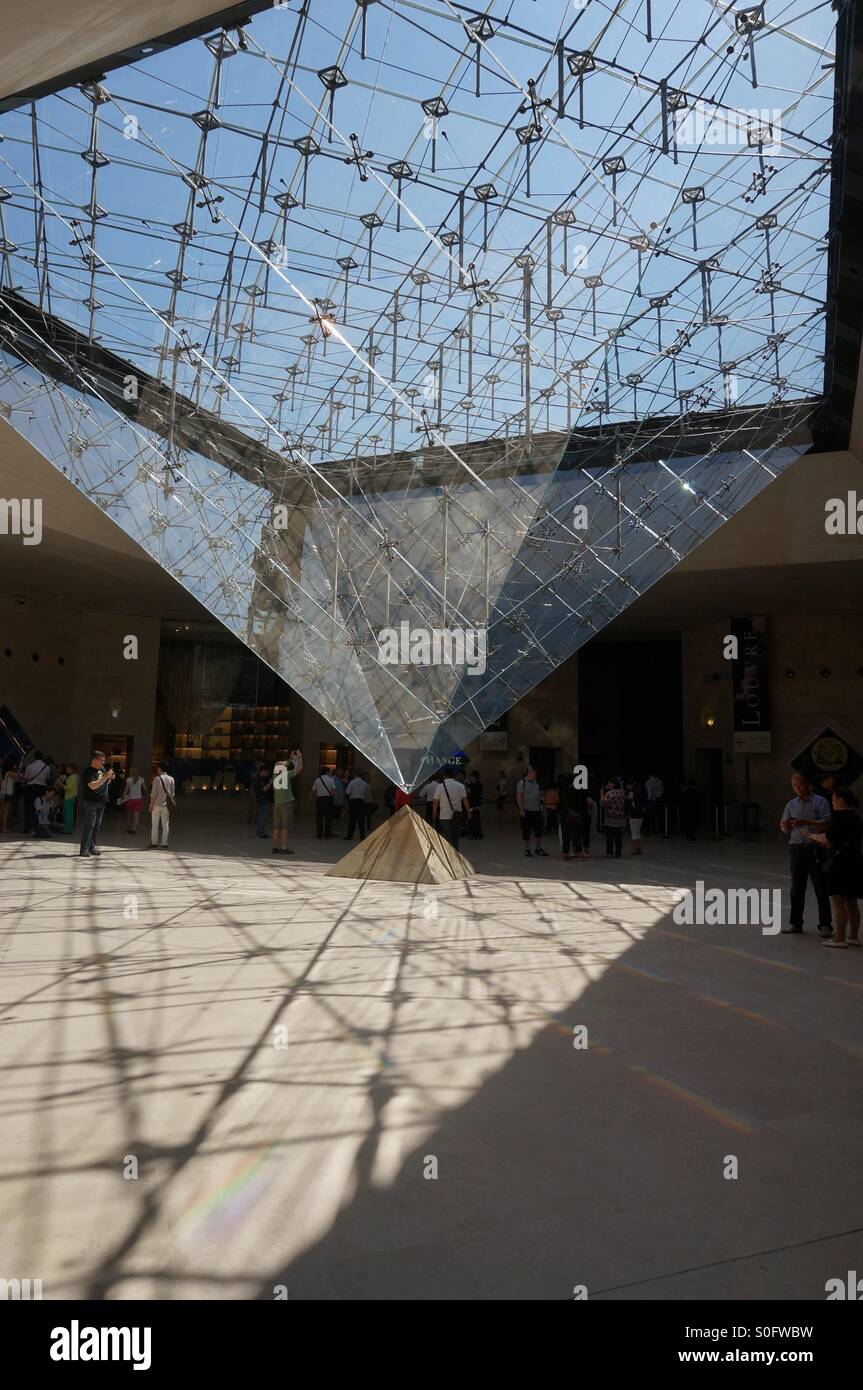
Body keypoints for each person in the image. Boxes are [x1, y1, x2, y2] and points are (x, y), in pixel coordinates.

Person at [804, 787, 863, 948]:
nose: (833, 803)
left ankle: (839, 939)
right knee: (851, 901)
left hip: (840, 863)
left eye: (834, 800)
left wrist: (810, 835)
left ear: (841, 800)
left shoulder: (840, 817)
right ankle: (853, 937)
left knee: (838, 901)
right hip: (855, 862)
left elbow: (827, 839)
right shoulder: (856, 817)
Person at [779, 772, 832, 936]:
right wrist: (786, 825)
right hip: (797, 847)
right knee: (796, 887)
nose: (797, 789)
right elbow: (784, 827)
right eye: (794, 786)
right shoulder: (791, 804)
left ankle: (825, 924)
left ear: (807, 784)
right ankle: (796, 923)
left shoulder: (820, 801)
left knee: (820, 887)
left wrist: (808, 822)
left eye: (800, 785)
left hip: (815, 847)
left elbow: (828, 824)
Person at [79, 751, 114, 857]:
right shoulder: (88, 772)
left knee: (97, 826)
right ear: (94, 760)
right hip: (91, 802)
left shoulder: (102, 769)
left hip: (102, 801)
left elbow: (105, 783)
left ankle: (92, 848)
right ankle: (84, 850)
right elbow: (92, 786)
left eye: (104, 761)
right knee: (89, 825)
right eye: (101, 760)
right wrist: (104, 777)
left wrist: (110, 777)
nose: (103, 763)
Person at [272, 750, 302, 855]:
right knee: (285, 827)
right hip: (286, 803)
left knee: (276, 826)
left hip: (277, 803)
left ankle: (275, 847)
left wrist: (290, 758)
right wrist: (300, 757)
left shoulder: (275, 775)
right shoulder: (286, 775)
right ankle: (284, 848)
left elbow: (284, 763)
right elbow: (298, 770)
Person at [433, 767, 470, 850]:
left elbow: (435, 801)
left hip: (444, 815)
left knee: (446, 836)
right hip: (457, 815)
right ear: (453, 775)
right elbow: (465, 800)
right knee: (455, 836)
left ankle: (448, 854)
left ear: (444, 775)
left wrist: (434, 812)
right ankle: (455, 852)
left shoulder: (440, 786)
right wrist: (468, 812)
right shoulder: (460, 786)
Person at [516, 767, 547, 857]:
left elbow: (538, 796)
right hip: (527, 810)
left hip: (537, 810)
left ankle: (538, 848)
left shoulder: (536, 783)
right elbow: (519, 796)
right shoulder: (522, 783)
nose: (535, 775)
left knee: (539, 830)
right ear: (529, 773)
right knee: (526, 830)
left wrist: (541, 796)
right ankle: (526, 849)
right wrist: (521, 809)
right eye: (534, 773)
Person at [22, 749, 51, 834]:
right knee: (40, 808)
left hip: (31, 788)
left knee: (29, 808)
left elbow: (26, 778)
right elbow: (47, 778)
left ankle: (27, 828)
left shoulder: (29, 766)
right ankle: (38, 827)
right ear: (42, 757)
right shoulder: (47, 767)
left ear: (34, 757)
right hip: (41, 789)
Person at [149, 762, 176, 850]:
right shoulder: (171, 779)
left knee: (155, 825)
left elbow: (153, 794)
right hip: (166, 806)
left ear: (160, 768)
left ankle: (154, 843)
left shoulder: (156, 779)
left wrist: (151, 805)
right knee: (165, 825)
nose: (157, 769)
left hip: (156, 805)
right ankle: (164, 843)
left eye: (157, 768)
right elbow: (172, 793)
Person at [310, 766, 338, 839]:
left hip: (319, 800)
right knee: (328, 818)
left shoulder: (317, 780)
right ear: (327, 772)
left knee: (319, 818)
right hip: (328, 800)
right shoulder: (331, 780)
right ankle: (326, 835)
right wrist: (334, 798)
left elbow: (313, 790)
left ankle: (319, 834)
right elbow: (334, 791)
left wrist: (310, 798)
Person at [344, 768, 371, 841]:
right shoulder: (364, 783)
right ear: (361, 775)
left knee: (352, 820)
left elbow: (347, 793)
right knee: (361, 820)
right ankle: (362, 836)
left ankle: (349, 836)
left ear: (355, 774)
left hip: (353, 802)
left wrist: (349, 801)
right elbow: (366, 794)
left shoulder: (352, 782)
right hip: (361, 802)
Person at [601, 779, 626, 858]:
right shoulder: (622, 793)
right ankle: (618, 853)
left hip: (610, 819)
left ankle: (610, 853)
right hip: (620, 819)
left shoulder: (609, 793)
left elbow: (603, 803)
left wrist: (601, 795)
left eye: (609, 783)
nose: (608, 785)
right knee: (618, 837)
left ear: (613, 784)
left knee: (610, 837)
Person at [122, 766, 147, 834]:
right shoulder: (141, 779)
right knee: (137, 815)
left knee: (129, 814)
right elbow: (145, 788)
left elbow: (126, 789)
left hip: (131, 799)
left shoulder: (129, 779)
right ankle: (134, 829)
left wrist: (123, 796)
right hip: (139, 799)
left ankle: (128, 828)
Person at [626, 781, 647, 855]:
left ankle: (635, 850)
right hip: (640, 814)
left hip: (634, 815)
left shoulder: (632, 792)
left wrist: (625, 797)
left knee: (634, 833)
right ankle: (639, 848)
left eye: (628, 785)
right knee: (638, 832)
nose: (627, 787)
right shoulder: (640, 791)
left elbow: (630, 798)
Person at [253, 762, 273, 838]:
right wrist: (269, 784)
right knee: (262, 816)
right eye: (266, 772)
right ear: (263, 771)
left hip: (265, 800)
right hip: (262, 800)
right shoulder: (258, 779)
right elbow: (264, 789)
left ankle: (262, 832)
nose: (267, 773)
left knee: (263, 817)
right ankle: (260, 832)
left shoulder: (262, 778)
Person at [0, 757, 18, 832]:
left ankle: (1, 827)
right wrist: (16, 769)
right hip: (8, 793)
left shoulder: (2, 771)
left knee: (1, 810)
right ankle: (4, 827)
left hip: (2, 792)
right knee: (6, 811)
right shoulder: (10, 773)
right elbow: (20, 777)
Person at [645, 771, 664, 835]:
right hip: (660, 800)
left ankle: (653, 830)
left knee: (652, 816)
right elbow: (662, 791)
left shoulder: (648, 782)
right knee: (659, 816)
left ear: (649, 776)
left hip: (652, 801)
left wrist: (648, 800)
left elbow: (649, 793)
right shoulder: (660, 781)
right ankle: (660, 830)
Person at [467, 770, 484, 839]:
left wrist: (476, 806)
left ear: (475, 777)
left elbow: (475, 795)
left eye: (471, 776)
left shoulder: (477, 785)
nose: (470, 778)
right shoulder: (476, 784)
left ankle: (475, 835)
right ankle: (475, 834)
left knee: (475, 820)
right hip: (474, 805)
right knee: (474, 819)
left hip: (475, 805)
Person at [62, 763, 78, 834]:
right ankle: (69, 829)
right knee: (70, 814)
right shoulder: (75, 776)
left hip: (69, 796)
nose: (67, 770)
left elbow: (69, 788)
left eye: (68, 769)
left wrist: (61, 785)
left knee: (67, 814)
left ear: (72, 770)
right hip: (72, 796)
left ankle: (67, 829)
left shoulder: (72, 777)